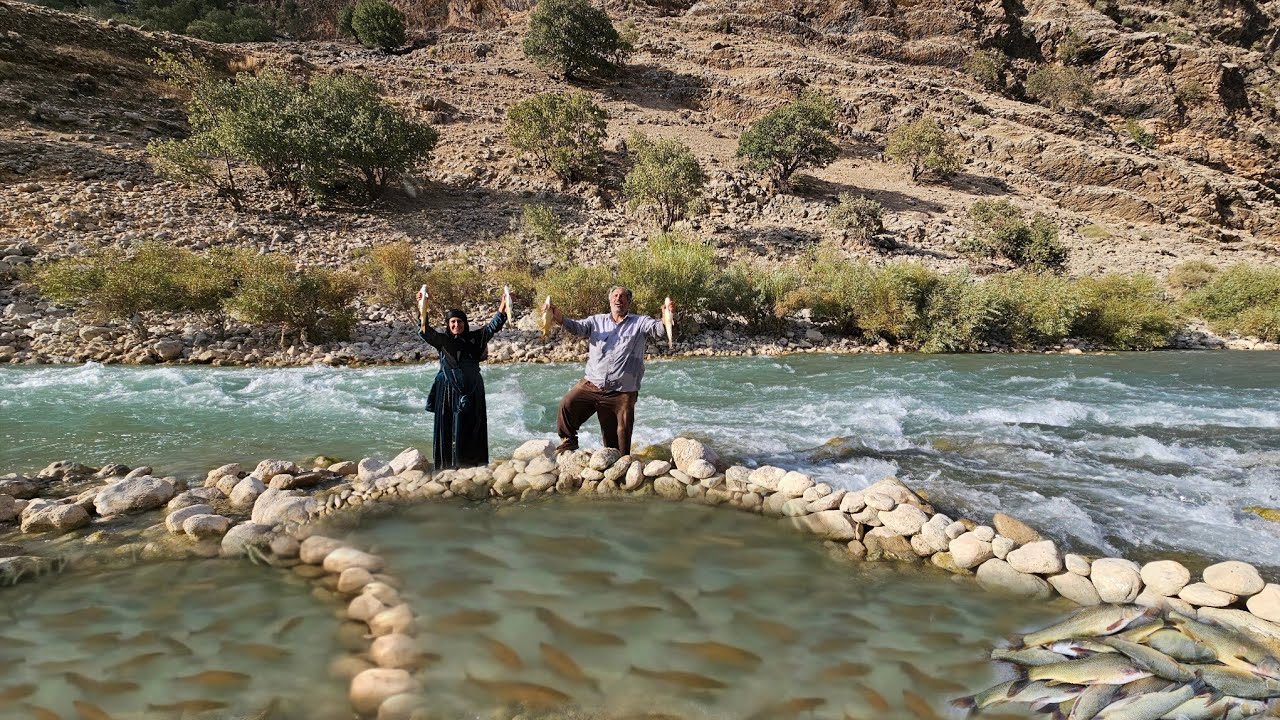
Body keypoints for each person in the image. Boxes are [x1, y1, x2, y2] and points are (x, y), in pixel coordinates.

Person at [549, 286, 673, 456]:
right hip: (592, 385)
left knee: (618, 442)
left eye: (622, 296)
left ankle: (621, 466)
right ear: (610, 300)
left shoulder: (640, 322)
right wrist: (560, 318)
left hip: (622, 392)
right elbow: (577, 327)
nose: (618, 299)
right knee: (567, 403)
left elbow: (658, 329)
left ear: (628, 302)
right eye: (615, 295)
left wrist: (667, 316)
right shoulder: (596, 321)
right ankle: (569, 441)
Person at [417, 291, 507, 468]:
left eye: (459, 321)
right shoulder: (442, 340)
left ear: (465, 324)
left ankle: (473, 463)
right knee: (449, 426)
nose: (456, 325)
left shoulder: (476, 338)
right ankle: (448, 465)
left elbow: (493, 327)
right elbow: (424, 330)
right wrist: (421, 307)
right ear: (448, 325)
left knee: (473, 426)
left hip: (473, 390)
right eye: (453, 322)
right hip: (448, 391)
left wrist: (503, 306)